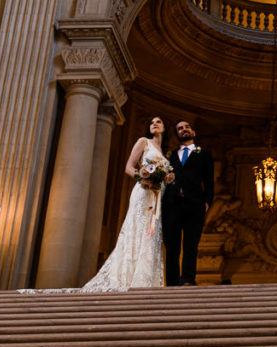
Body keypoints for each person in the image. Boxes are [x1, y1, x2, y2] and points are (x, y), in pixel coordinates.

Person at [83, 116, 172, 291]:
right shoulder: (143, 141)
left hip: (156, 197)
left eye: (159, 122)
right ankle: (128, 278)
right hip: (143, 192)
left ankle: (146, 279)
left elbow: (163, 174)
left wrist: (167, 178)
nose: (154, 124)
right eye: (152, 122)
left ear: (164, 128)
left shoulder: (165, 152)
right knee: (137, 229)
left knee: (151, 234)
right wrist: (142, 178)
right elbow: (129, 167)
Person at [161, 119, 213, 285]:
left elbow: (209, 181)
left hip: (195, 204)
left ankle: (188, 280)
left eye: (187, 127)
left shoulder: (203, 154)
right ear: (177, 134)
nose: (184, 130)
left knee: (191, 244)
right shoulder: (170, 156)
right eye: (180, 128)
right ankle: (172, 282)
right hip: (172, 205)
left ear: (193, 132)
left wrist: (207, 202)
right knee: (172, 246)